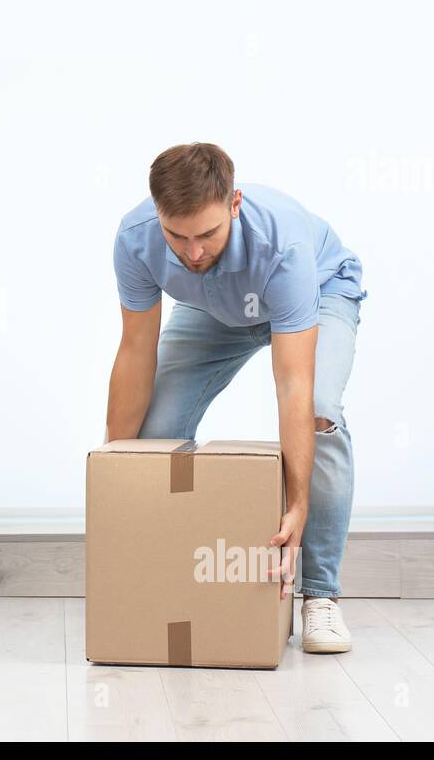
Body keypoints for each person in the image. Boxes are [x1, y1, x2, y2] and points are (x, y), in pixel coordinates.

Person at [105, 142, 365, 653]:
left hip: (317, 290)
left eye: (207, 234)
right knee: (152, 443)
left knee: (320, 413)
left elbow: (292, 381)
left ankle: (319, 597)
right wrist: (113, 469)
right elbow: (136, 351)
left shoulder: (283, 244)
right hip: (215, 308)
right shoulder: (134, 240)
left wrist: (297, 503)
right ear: (157, 214)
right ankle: (166, 579)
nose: (193, 251)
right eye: (176, 236)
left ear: (235, 204)